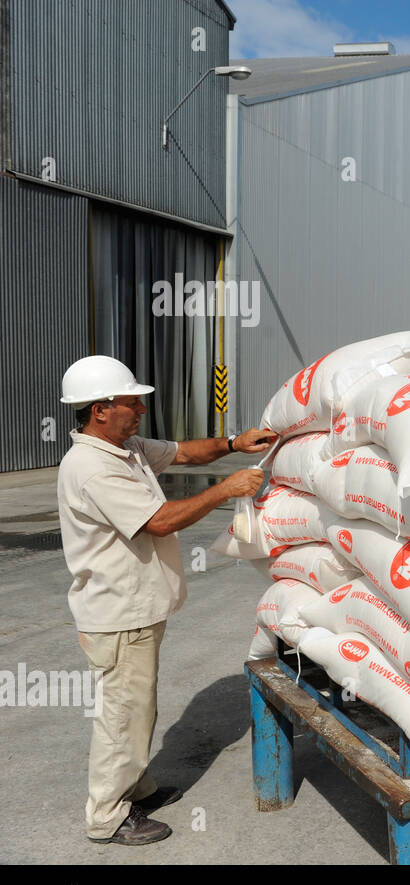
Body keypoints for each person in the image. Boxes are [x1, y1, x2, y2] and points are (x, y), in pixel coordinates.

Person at [57, 355, 276, 846]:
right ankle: (107, 816)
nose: (140, 409)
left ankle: (134, 789)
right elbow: (159, 520)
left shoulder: (124, 447)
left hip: (136, 608)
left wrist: (232, 444)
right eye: (131, 402)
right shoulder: (92, 468)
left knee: (137, 709)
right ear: (99, 409)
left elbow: (183, 454)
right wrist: (226, 489)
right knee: (122, 716)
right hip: (118, 613)